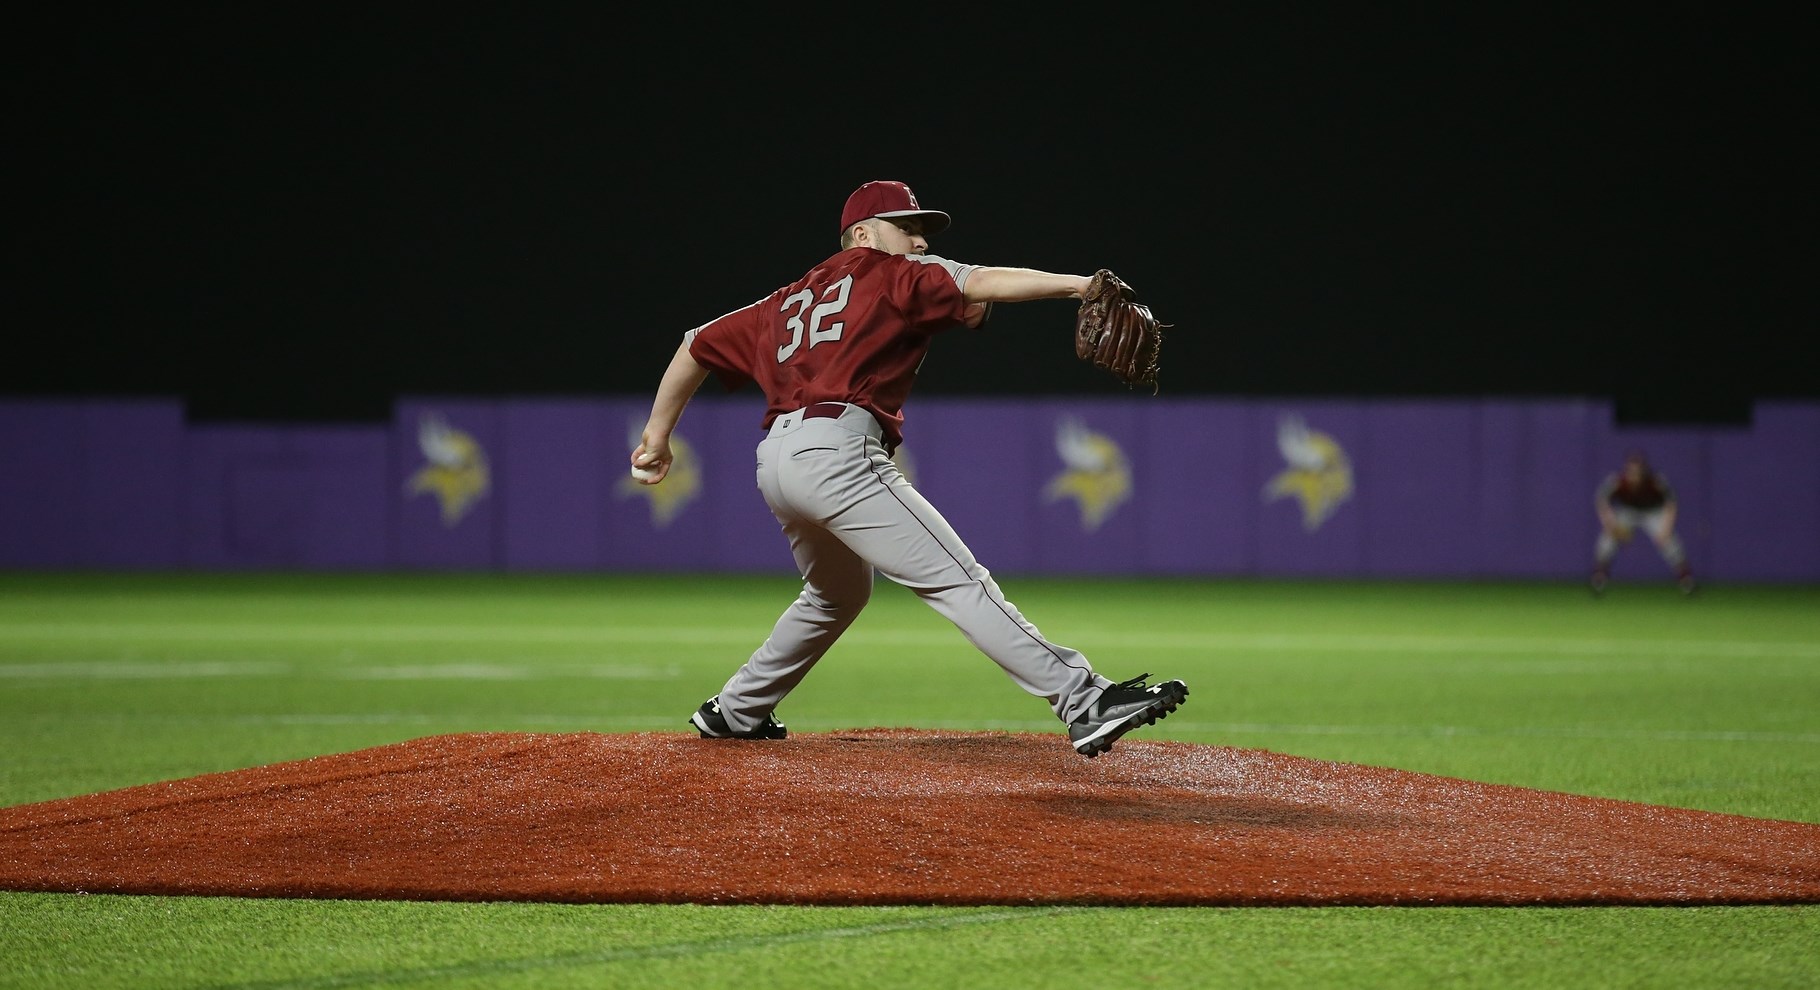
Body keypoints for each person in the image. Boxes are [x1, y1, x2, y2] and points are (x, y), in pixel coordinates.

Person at [629, 179, 1188, 758]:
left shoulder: (785, 300)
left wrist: (657, 435)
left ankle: (736, 709)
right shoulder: (889, 272)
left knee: (836, 594)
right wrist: (1080, 285)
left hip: (776, 460)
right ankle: (1084, 699)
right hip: (837, 452)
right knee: (958, 579)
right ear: (863, 235)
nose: (920, 241)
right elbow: (980, 281)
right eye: (907, 227)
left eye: (922, 231)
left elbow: (696, 343)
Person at [1590, 449, 1696, 595]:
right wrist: (1609, 522)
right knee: (1607, 539)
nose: (1633, 474)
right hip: (1628, 512)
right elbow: (1601, 499)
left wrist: (1667, 527)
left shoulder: (1655, 481)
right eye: (1631, 470)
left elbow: (1671, 501)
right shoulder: (1618, 481)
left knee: (1670, 542)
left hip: (1652, 512)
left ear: (1643, 470)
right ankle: (1599, 577)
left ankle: (1686, 580)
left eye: (1637, 470)